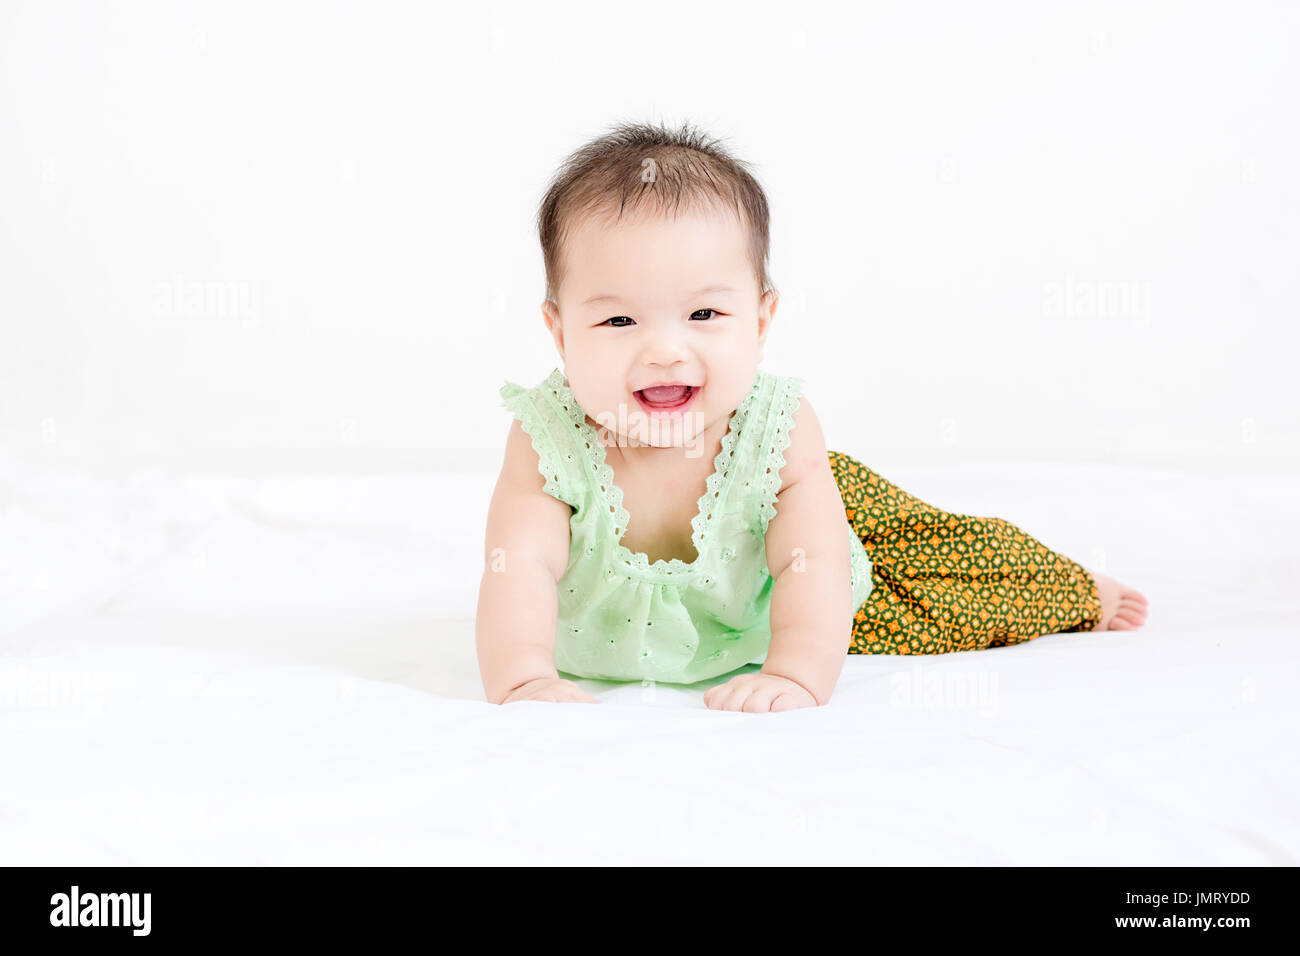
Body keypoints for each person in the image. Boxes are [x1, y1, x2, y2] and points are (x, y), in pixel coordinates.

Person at [477, 121, 1148, 712]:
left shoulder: (783, 427)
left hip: (806, 540)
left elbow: (813, 563)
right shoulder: (547, 440)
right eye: (619, 318)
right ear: (560, 332)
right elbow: (521, 566)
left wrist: (796, 673)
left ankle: (1071, 589)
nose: (664, 350)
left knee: (943, 587)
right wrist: (524, 677)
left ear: (761, 320)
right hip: (729, 584)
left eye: (704, 314)